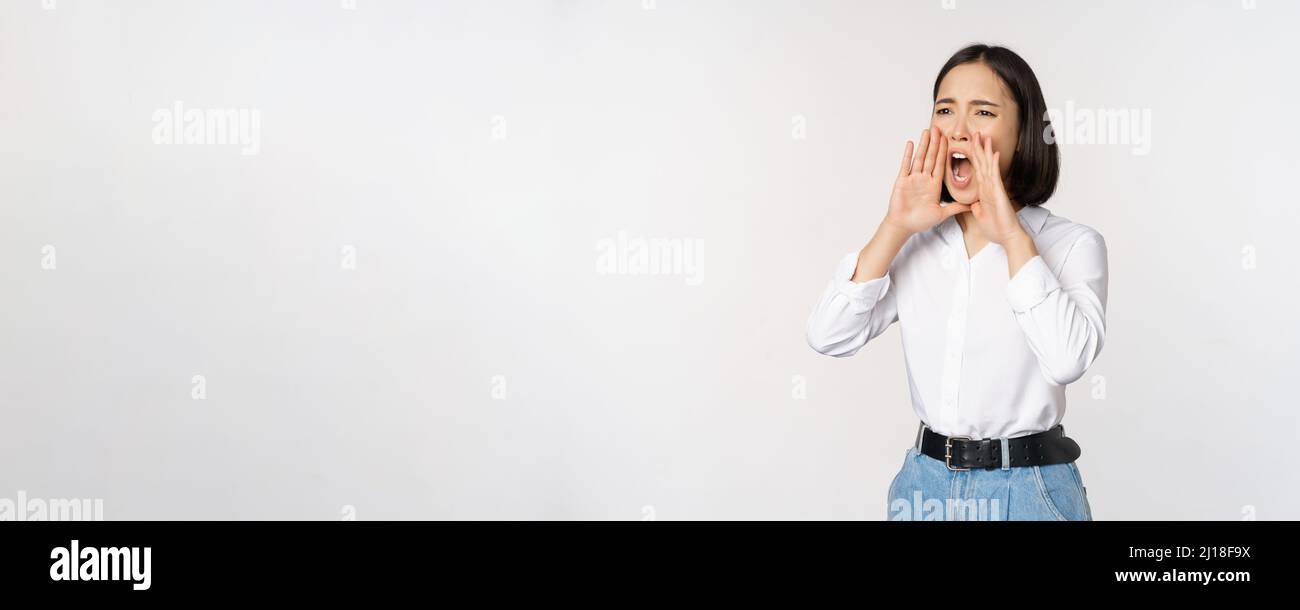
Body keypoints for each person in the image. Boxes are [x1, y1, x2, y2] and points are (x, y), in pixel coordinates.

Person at [805, 44, 1107, 521]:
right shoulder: (917, 242)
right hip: (924, 486)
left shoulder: (1072, 244)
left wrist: (1011, 234)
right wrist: (894, 227)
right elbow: (828, 335)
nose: (959, 129)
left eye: (983, 112)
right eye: (945, 110)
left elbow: (1068, 359)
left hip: (1031, 490)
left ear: (1024, 131)